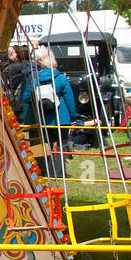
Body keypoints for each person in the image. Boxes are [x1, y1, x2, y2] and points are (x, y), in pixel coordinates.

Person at [20, 47, 77, 180]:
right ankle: (58, 173)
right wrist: (73, 116)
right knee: (61, 144)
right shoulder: (61, 79)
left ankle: (44, 170)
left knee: (45, 145)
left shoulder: (36, 80)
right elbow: (69, 100)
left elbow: (26, 97)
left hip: (43, 119)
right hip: (61, 118)